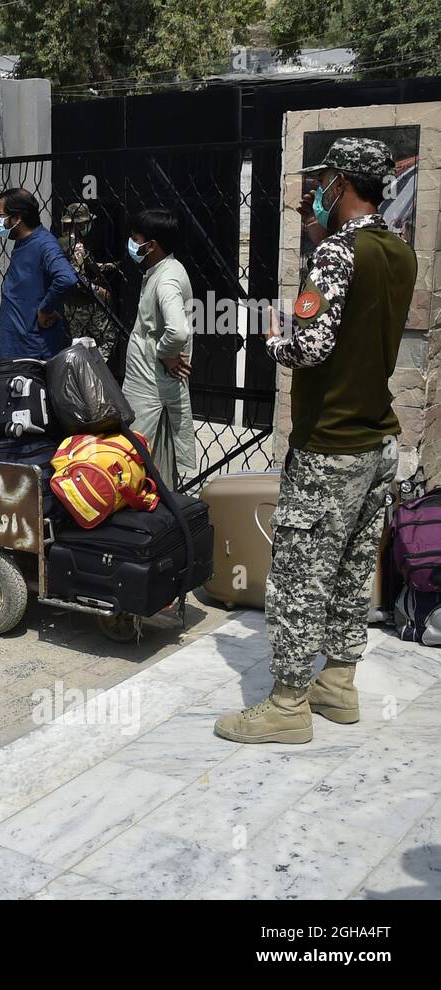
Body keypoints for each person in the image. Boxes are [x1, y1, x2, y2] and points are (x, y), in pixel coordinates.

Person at [215, 137, 417, 745]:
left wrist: (277, 337)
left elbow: (310, 346)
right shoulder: (397, 251)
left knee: (301, 574)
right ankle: (338, 684)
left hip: (329, 445)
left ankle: (286, 704)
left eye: (325, 179)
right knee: (354, 567)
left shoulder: (334, 254)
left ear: (344, 183)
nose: (317, 190)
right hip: (376, 439)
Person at [123, 208, 195, 488]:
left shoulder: (165, 280)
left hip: (151, 392)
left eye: (135, 239)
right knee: (153, 465)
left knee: (144, 465)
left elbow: (177, 330)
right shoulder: (163, 271)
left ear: (151, 245)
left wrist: (166, 354)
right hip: (149, 388)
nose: (132, 244)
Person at [0, 188, 77, 360]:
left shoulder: (44, 244)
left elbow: (67, 279)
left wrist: (45, 308)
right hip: (15, 347)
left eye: (0, 216)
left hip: (32, 351)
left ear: (17, 218)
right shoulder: (23, 242)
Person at [58, 202, 120, 359]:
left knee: (79, 343)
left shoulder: (62, 242)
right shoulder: (77, 245)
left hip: (70, 304)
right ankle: (94, 369)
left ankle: (80, 371)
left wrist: (107, 266)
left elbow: (77, 266)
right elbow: (79, 278)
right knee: (109, 337)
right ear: (80, 224)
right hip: (85, 303)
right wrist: (100, 291)